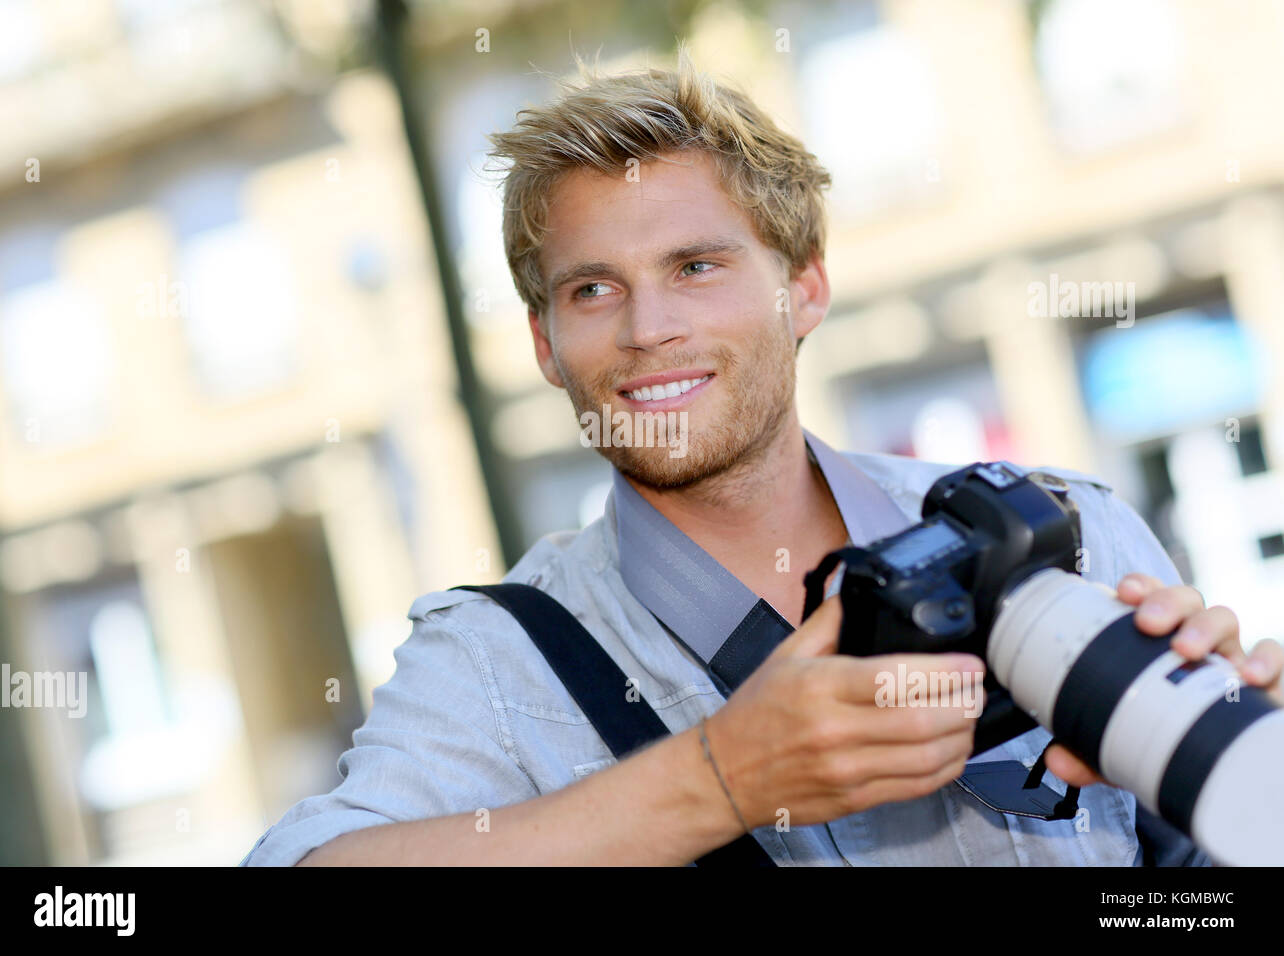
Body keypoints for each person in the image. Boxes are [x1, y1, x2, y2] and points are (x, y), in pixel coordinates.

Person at [240, 47, 1283, 867]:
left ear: (806, 288)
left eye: (696, 266)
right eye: (591, 288)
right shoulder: (495, 660)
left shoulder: (1067, 530)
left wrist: (1224, 776)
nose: (646, 327)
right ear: (544, 343)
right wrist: (719, 780)